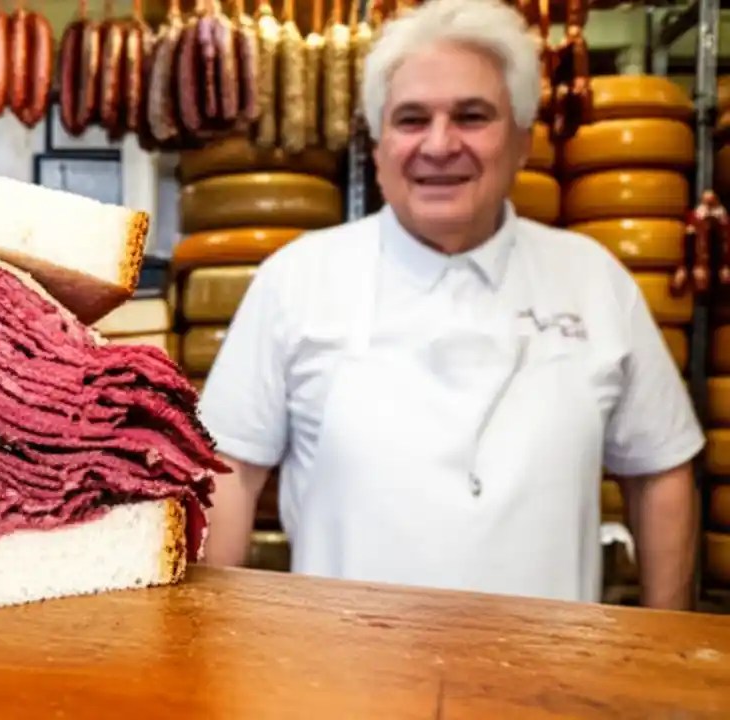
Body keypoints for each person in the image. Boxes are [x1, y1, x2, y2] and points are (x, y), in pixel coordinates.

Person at [196, 0, 702, 609]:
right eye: (411, 119)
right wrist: (209, 643)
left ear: (520, 140)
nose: (439, 145)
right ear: (378, 145)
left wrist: (663, 643)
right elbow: (228, 472)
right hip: (338, 682)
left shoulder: (594, 280)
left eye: (472, 116)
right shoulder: (297, 279)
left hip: (548, 687)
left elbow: (660, 471)